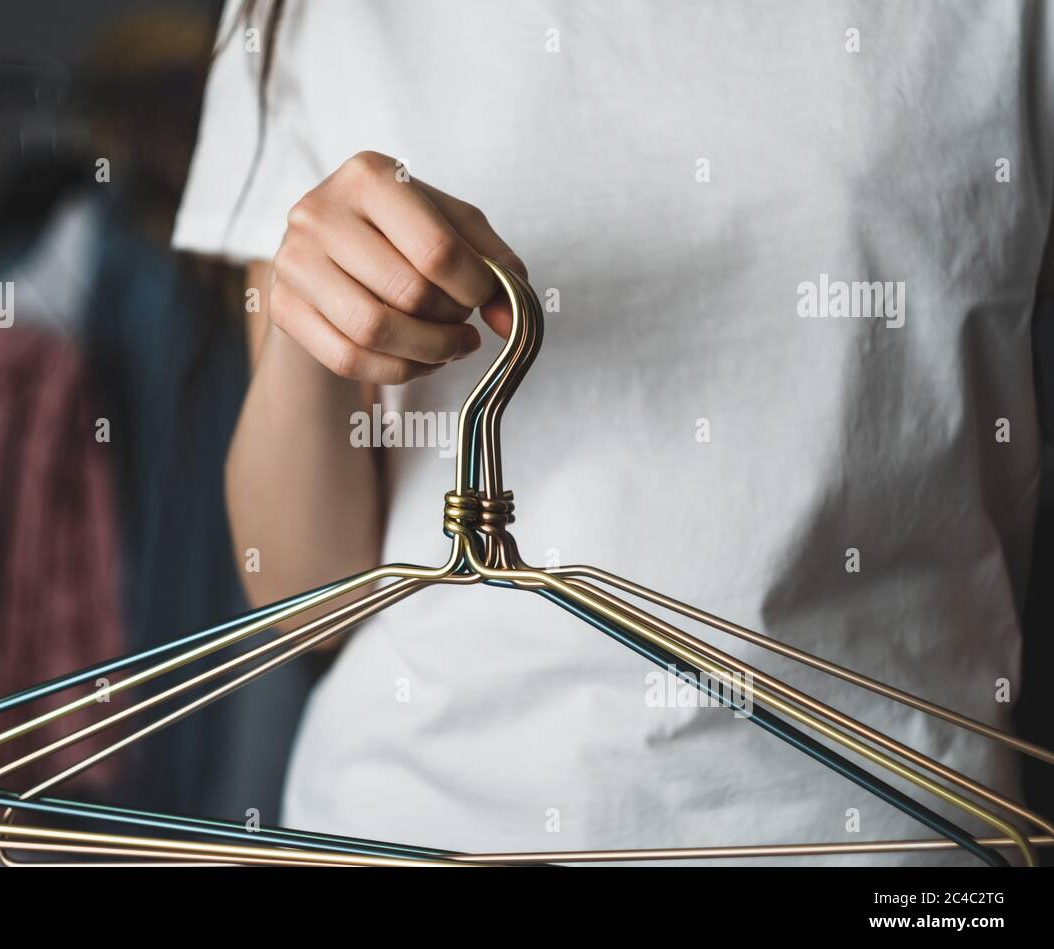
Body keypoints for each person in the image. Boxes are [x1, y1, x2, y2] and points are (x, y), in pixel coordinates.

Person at [172, 0, 1054, 863]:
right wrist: (310, 331)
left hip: (881, 831)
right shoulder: (321, 16)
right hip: (417, 821)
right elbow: (304, 600)